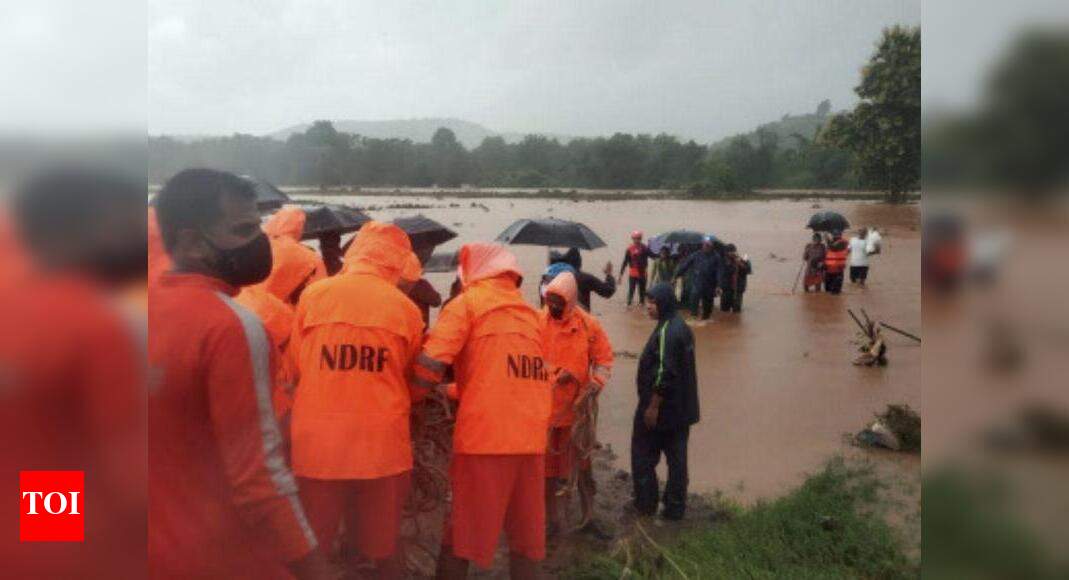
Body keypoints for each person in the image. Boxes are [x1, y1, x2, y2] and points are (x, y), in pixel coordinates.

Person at [149, 168, 333, 579]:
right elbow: (260, 478)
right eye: (244, 229)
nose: (260, 242)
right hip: (215, 557)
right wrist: (315, 570)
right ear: (191, 241)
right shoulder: (230, 327)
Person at [289, 221, 424, 579]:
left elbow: (295, 368)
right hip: (381, 448)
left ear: (355, 252)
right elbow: (409, 375)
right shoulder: (406, 310)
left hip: (318, 447)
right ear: (397, 262)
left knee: (310, 548)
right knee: (385, 546)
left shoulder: (313, 295)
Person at [410, 243, 550, 580]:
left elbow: (429, 367)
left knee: (460, 536)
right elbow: (505, 377)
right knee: (526, 539)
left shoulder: (466, 305)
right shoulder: (531, 315)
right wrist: (452, 390)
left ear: (470, 274)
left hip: (485, 443)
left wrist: (412, 398)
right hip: (531, 443)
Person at [540, 271, 614, 534]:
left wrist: (593, 386)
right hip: (547, 413)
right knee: (547, 473)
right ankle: (551, 522)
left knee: (583, 467)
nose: (553, 307)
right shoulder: (537, 322)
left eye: (559, 303)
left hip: (578, 412)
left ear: (571, 301)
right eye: (550, 302)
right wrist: (555, 373)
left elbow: (605, 361)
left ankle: (589, 516)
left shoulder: (589, 326)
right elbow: (527, 360)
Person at [631, 283, 699, 521]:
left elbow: (664, 372)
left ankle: (646, 504)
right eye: (648, 302)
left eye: (653, 303)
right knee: (677, 460)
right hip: (682, 410)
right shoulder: (682, 327)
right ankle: (675, 507)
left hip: (661, 410)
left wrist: (652, 407)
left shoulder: (667, 332)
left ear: (665, 303)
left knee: (642, 455)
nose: (648, 307)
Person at [554, 247, 615, 311]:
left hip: (562, 317)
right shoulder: (585, 278)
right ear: (579, 262)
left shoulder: (557, 278)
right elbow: (608, 291)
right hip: (582, 317)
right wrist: (609, 274)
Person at [674, 237, 721, 320]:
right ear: (702, 245)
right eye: (705, 245)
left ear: (711, 246)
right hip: (697, 282)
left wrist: (718, 285)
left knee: (707, 305)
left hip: (710, 284)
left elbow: (719, 272)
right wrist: (676, 275)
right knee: (694, 297)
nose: (706, 247)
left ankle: (706, 318)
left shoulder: (716, 257)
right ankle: (693, 316)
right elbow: (685, 265)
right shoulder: (696, 254)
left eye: (708, 245)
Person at [618, 230, 655, 306]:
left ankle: (642, 304)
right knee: (631, 291)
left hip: (642, 273)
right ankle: (628, 305)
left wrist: (662, 255)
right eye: (635, 238)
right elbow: (625, 262)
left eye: (638, 238)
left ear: (641, 239)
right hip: (633, 274)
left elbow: (653, 256)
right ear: (632, 239)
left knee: (642, 292)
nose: (637, 240)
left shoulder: (645, 248)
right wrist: (620, 275)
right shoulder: (629, 249)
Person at [718, 244, 752, 313]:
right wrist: (718, 286)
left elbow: (748, 271)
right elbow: (720, 273)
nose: (730, 254)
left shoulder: (743, 260)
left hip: (738, 289)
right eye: (728, 252)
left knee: (736, 310)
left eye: (732, 251)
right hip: (726, 289)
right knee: (724, 310)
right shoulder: (723, 261)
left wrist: (740, 264)